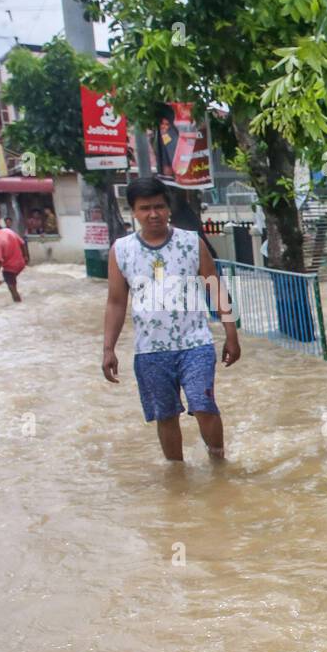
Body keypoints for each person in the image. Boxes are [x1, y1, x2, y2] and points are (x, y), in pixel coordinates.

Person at [101, 176, 241, 462]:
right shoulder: (122, 250)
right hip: (150, 350)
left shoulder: (191, 243)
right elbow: (116, 302)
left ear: (168, 208)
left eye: (159, 206)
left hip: (196, 343)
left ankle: (219, 462)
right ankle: (177, 474)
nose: (153, 214)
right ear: (133, 212)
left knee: (204, 405)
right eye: (144, 208)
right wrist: (108, 349)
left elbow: (215, 287)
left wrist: (231, 333)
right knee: (165, 415)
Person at [0, 218, 28, 302]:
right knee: (9, 278)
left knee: (12, 289)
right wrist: (26, 257)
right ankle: (4, 281)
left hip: (10, 268)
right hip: (21, 263)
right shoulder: (7, 231)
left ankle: (18, 304)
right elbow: (22, 243)